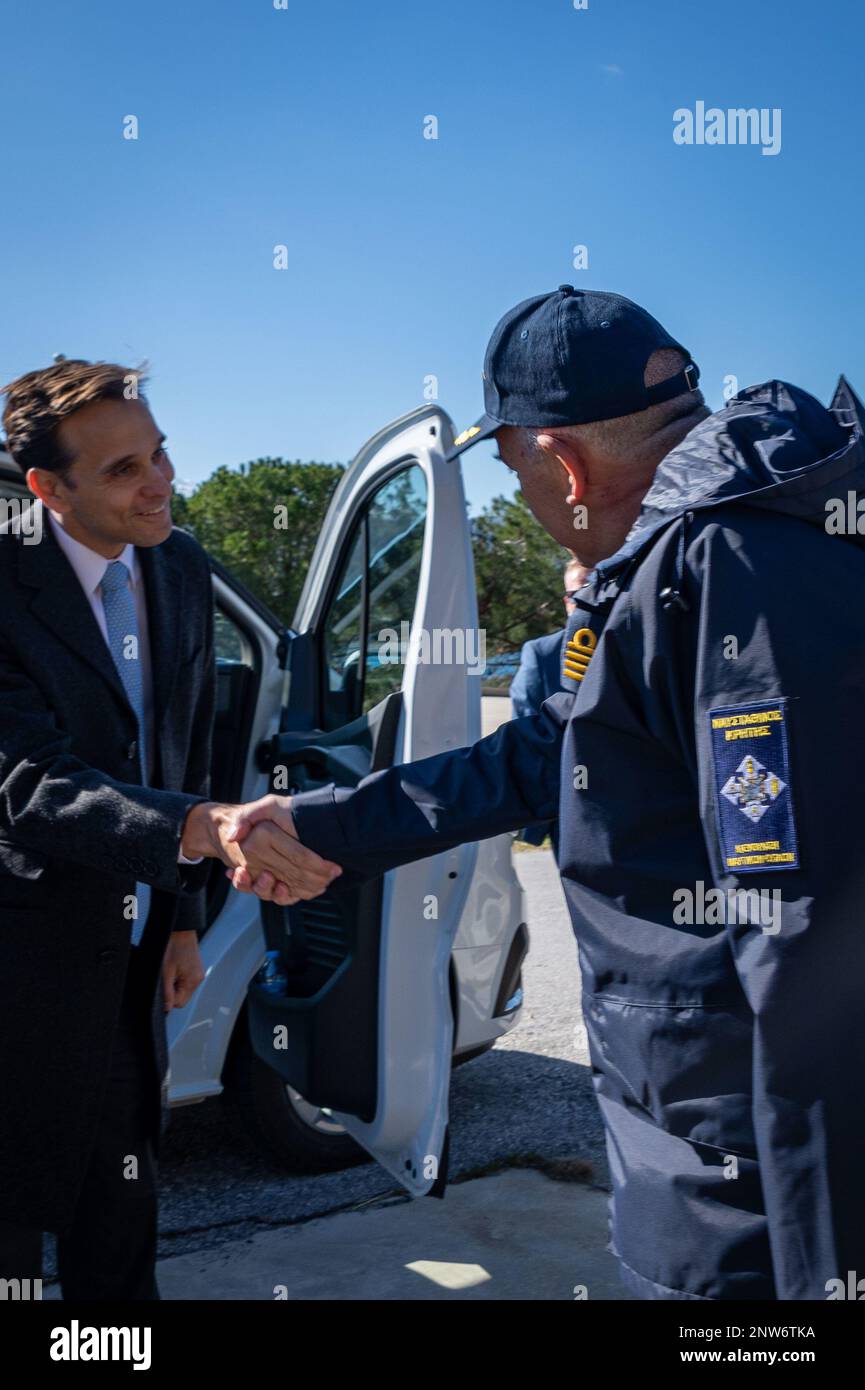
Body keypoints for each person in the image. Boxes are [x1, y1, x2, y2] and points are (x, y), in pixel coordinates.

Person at [227, 286, 865, 1302]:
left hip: (744, 1204)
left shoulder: (738, 569)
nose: (517, 495)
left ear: (563, 462)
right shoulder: (654, 571)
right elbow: (534, 760)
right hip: (689, 1153)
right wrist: (319, 824)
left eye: (513, 465)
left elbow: (811, 953)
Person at [0, 360, 339, 1299]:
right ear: (46, 488)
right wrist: (197, 826)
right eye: (121, 470)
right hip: (22, 954)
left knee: (121, 1208)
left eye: (161, 454)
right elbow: (26, 780)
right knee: (14, 1224)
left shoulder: (179, 563)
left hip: (141, 945)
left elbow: (179, 741)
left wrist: (181, 915)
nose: (158, 483)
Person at [510, 554, 590, 853]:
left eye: (596, 585)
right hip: (575, 816)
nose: (586, 597)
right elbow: (527, 733)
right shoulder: (541, 654)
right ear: (566, 602)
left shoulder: (645, 641)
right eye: (577, 593)